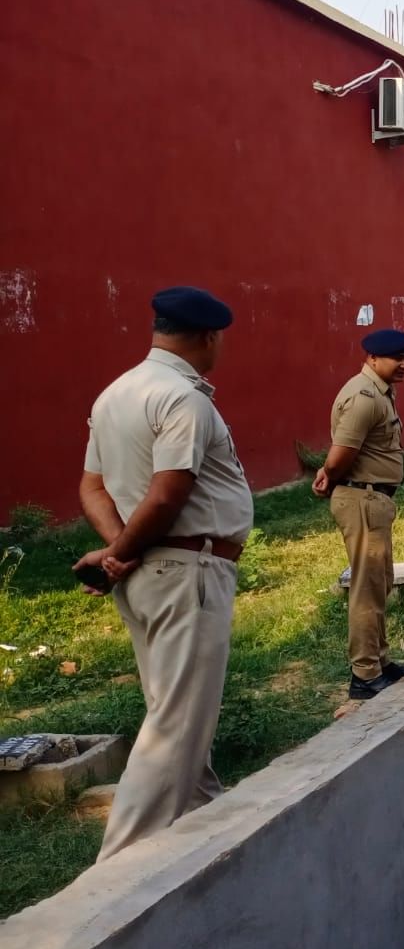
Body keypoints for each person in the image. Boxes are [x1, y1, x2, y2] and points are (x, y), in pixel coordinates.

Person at [76, 287, 252, 860]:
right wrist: (121, 549)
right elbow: (168, 492)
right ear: (208, 337)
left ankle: (210, 834)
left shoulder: (115, 394)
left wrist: (116, 551)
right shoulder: (184, 400)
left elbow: (93, 487)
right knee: (174, 728)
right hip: (187, 571)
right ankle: (113, 877)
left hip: (149, 572)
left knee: (178, 715)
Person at [314, 329, 404, 698]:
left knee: (379, 582)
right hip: (362, 499)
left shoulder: (380, 393)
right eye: (396, 358)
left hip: (373, 500)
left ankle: (380, 661)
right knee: (366, 590)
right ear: (373, 358)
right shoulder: (364, 397)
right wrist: (329, 473)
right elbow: (341, 454)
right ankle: (365, 674)